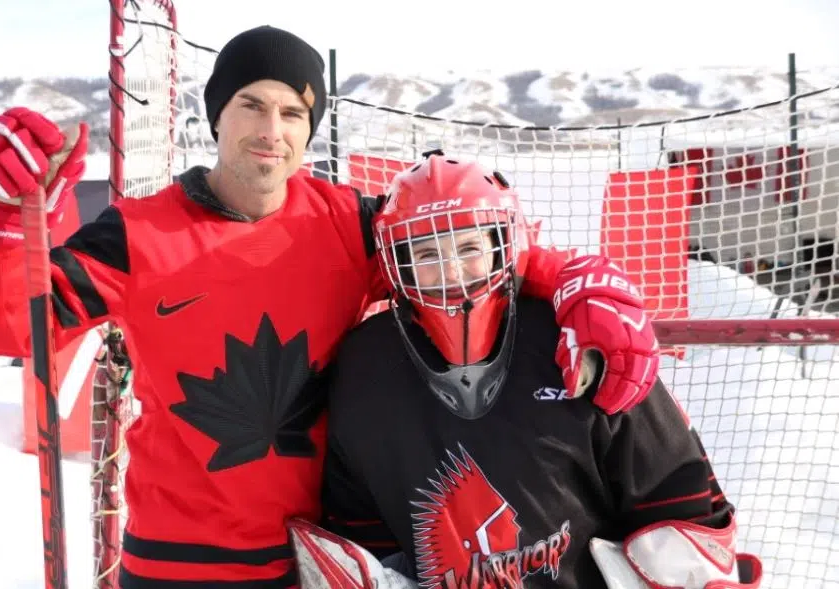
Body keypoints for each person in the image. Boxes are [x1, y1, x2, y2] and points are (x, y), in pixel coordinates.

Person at [0, 27, 659, 588]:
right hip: (170, 564)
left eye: (294, 111)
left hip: (307, 561)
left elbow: (459, 249)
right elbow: (4, 327)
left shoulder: (349, 225)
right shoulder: (136, 232)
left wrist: (576, 278)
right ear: (216, 115)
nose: (273, 128)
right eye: (252, 105)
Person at [318, 153, 763, 588]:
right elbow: (362, 526)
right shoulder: (365, 365)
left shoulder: (579, 334)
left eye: (469, 246)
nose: (451, 271)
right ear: (395, 261)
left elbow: (676, 494)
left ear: (502, 243)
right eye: (426, 252)